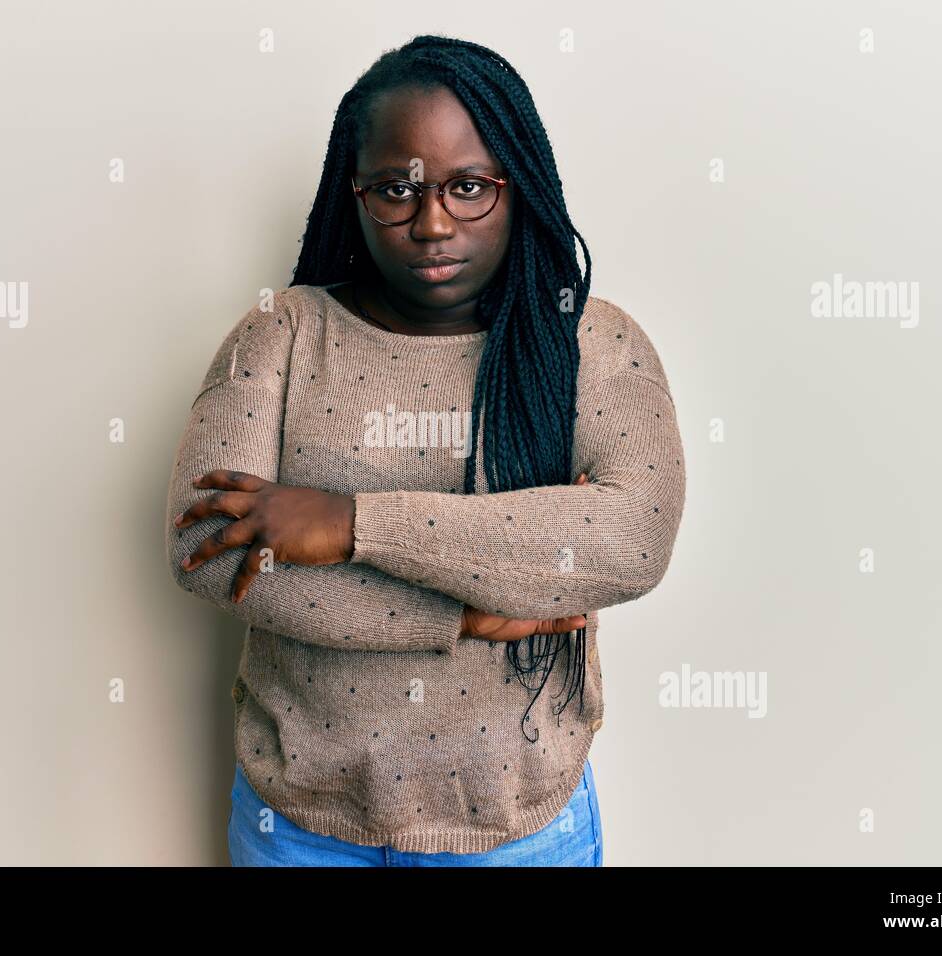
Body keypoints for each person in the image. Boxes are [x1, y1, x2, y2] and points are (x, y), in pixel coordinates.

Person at [165, 34, 686, 866]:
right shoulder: (282, 333)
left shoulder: (589, 341)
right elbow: (206, 549)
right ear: (356, 192)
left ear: (520, 186)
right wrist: (467, 612)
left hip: (519, 830)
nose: (432, 221)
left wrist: (352, 526)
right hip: (298, 825)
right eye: (396, 189)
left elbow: (629, 538)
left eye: (469, 187)